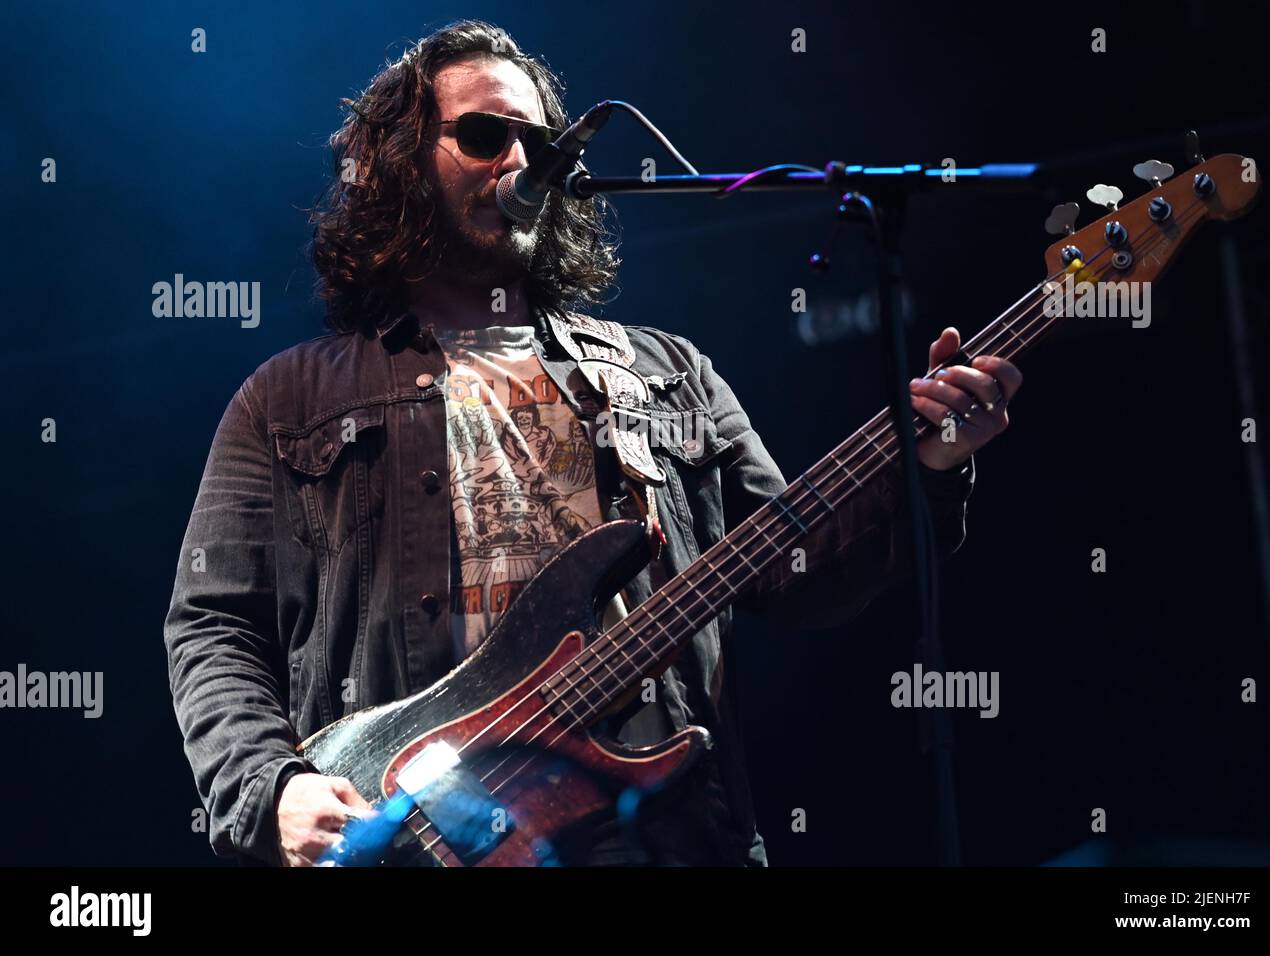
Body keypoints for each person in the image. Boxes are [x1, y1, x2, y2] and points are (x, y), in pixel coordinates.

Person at [162, 19, 1022, 868]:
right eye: (483, 135)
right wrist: (269, 788)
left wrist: (931, 465)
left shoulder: (667, 373)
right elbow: (213, 625)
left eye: (540, 143)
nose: (518, 161)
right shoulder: (289, 400)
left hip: (661, 834)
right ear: (398, 164)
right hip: (414, 831)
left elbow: (798, 578)